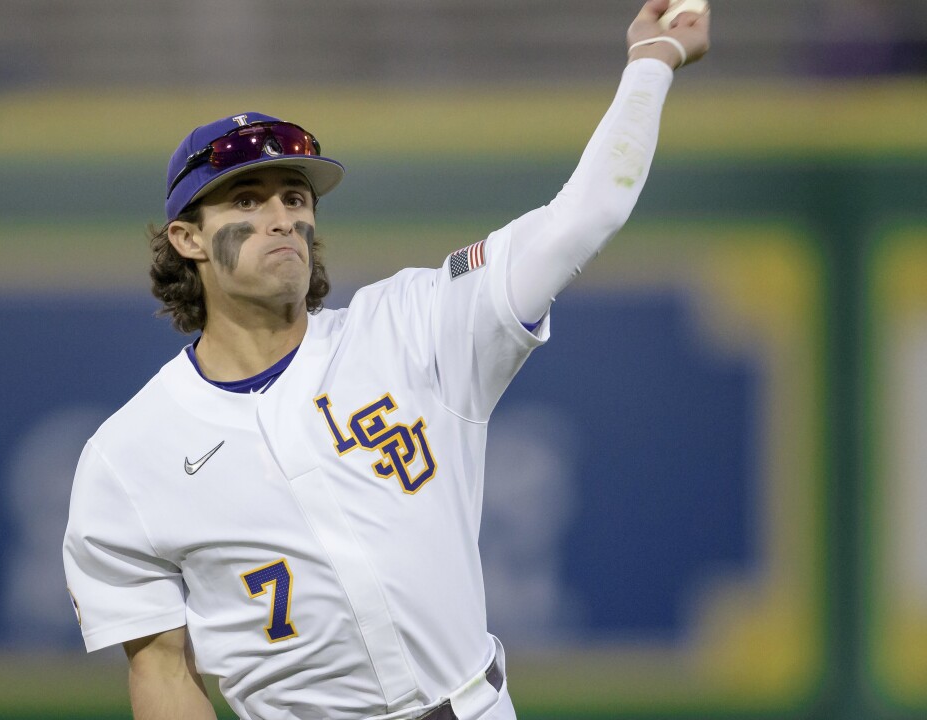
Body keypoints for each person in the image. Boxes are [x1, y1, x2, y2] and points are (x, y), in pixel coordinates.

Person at [62, 2, 710, 718]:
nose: (283, 216)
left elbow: (578, 219)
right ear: (186, 239)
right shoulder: (128, 455)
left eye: (295, 195)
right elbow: (161, 675)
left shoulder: (413, 326)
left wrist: (651, 63)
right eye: (246, 198)